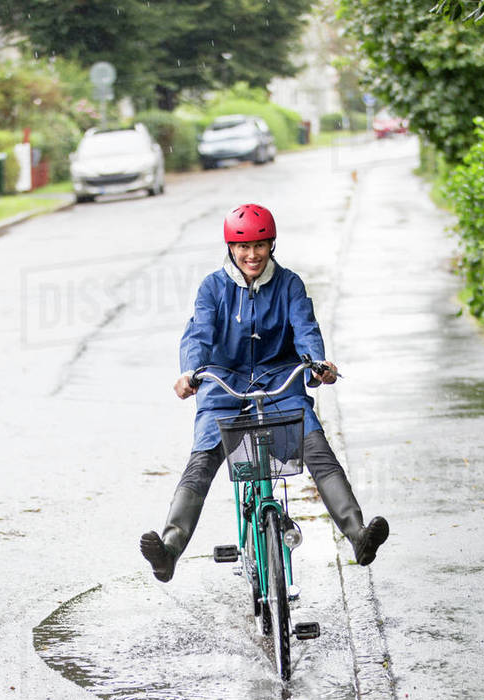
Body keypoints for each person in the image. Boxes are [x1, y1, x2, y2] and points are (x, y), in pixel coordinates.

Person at [140, 203, 389, 583]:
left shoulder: (289, 284)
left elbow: (305, 327)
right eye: (243, 247)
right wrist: (190, 373)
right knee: (201, 463)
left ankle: (358, 536)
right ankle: (170, 550)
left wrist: (318, 365)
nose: (252, 254)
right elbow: (199, 333)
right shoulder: (213, 287)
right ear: (230, 248)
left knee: (318, 451)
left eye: (260, 245)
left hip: (281, 383)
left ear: (272, 244)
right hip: (224, 387)